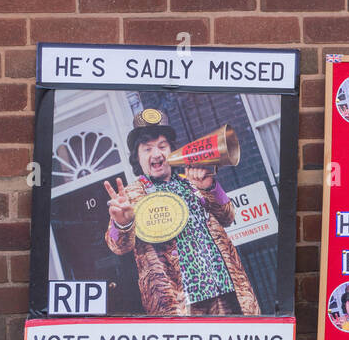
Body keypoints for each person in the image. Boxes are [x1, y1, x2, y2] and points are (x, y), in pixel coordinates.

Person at [104, 109, 260, 316]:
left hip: (226, 291)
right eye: (147, 149)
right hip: (180, 306)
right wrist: (121, 224)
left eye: (162, 146)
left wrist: (211, 187)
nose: (156, 154)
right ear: (137, 158)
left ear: (172, 151)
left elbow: (228, 217)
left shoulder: (192, 182)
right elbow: (118, 246)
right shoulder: (130, 196)